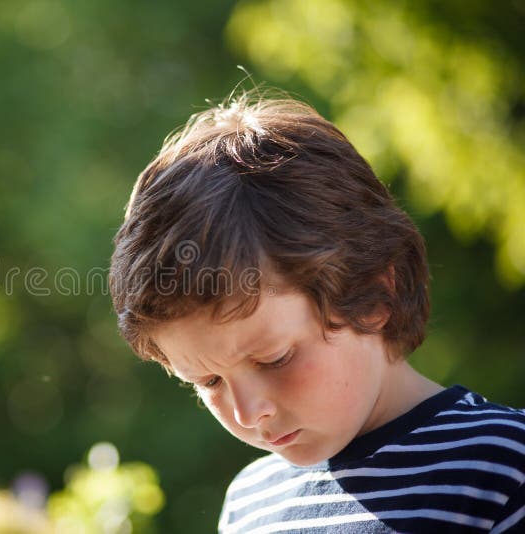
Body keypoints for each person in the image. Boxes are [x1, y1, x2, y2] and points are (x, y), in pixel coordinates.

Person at [108, 92, 525, 533]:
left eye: (274, 359)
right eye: (209, 381)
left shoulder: (504, 467)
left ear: (374, 293)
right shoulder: (248, 505)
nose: (249, 414)